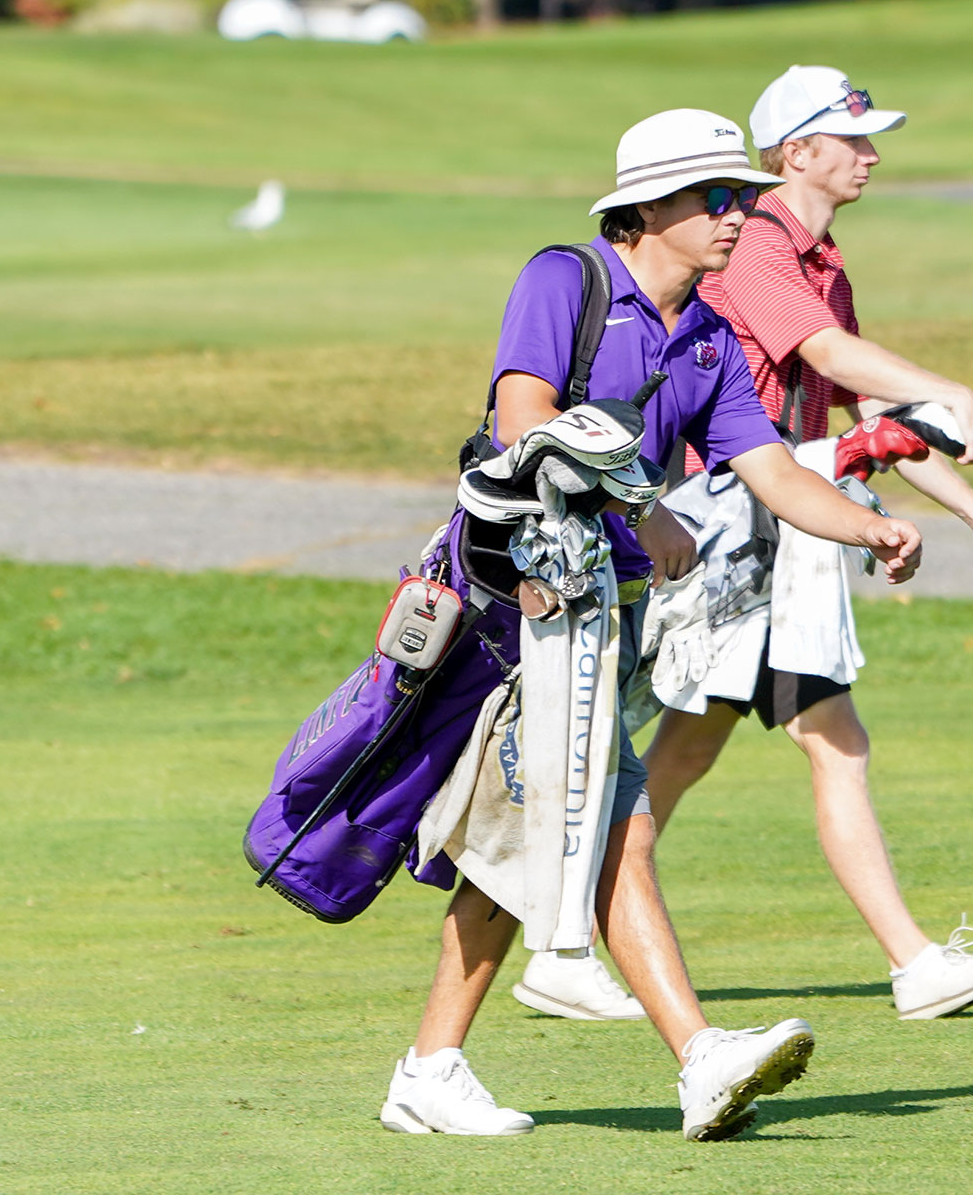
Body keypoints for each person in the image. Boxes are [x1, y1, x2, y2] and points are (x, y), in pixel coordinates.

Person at [382, 107, 924, 1140]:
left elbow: (769, 474)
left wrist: (869, 529)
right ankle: (697, 1057)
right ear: (648, 210)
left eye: (744, 199)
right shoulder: (568, 279)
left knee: (535, 838)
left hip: (601, 625)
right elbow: (522, 420)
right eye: (717, 199)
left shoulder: (712, 337)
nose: (737, 215)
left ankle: (432, 1066)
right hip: (514, 619)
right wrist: (643, 503)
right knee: (608, 819)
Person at [638, 66, 973, 1022]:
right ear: (797, 153)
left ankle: (563, 936)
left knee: (684, 752)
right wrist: (955, 390)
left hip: (781, 525)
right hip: (733, 527)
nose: (869, 155)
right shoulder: (756, 249)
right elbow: (827, 360)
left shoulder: (823, 263)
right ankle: (914, 963)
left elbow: (866, 407)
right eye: (851, 139)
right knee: (835, 741)